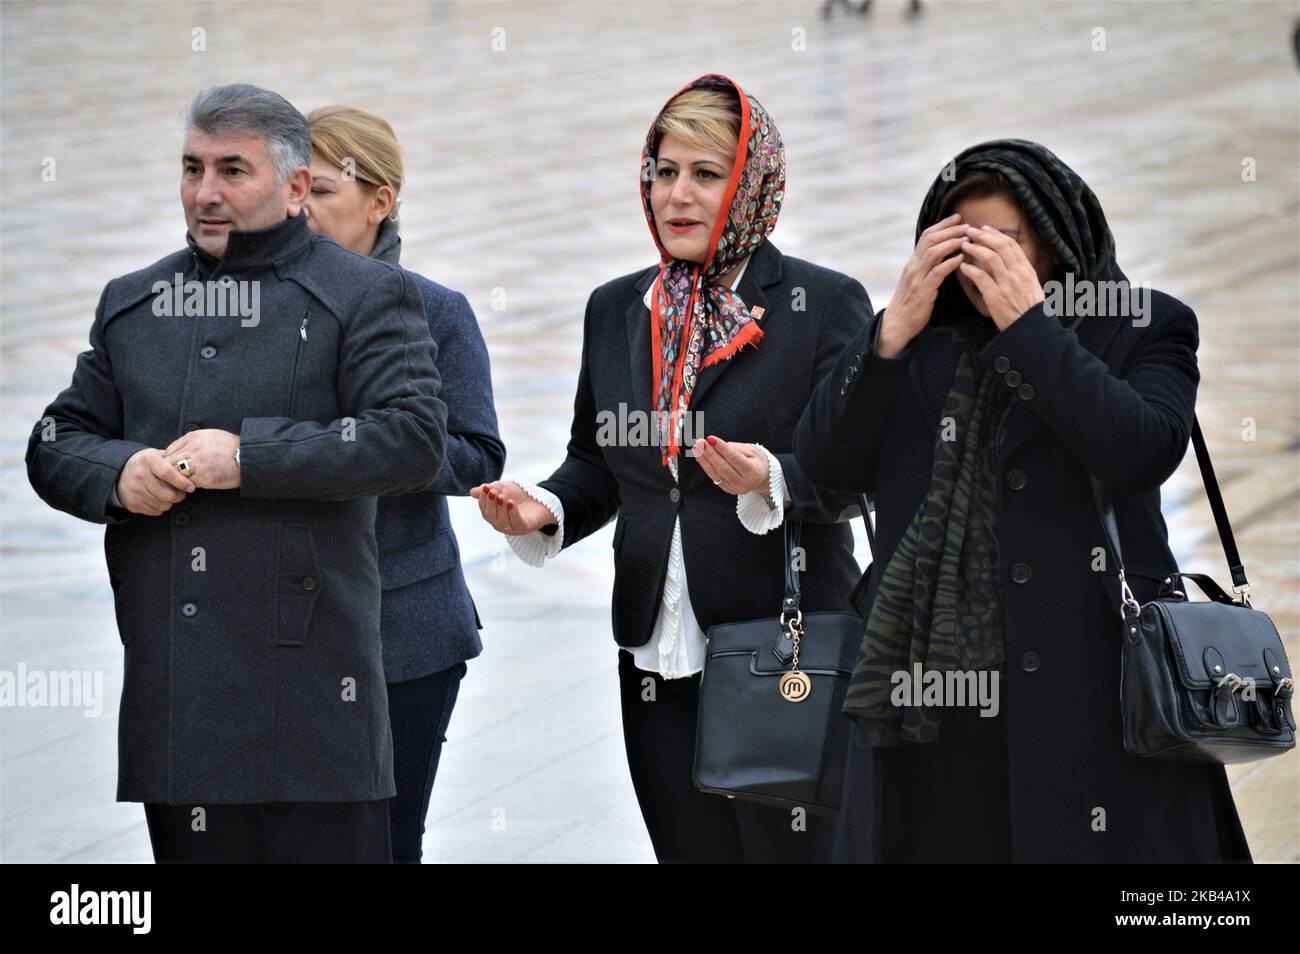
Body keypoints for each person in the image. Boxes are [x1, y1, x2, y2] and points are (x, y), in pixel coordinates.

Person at [794, 138, 1252, 863]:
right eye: (963, 240)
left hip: (1098, 703)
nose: (982, 262)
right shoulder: (916, 337)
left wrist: (1030, 330)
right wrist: (886, 338)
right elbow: (825, 467)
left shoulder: (1143, 324)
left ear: (1056, 233)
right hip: (933, 709)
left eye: (1007, 240)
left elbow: (1139, 451)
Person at [25, 83, 448, 863]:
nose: (205, 193)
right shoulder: (135, 302)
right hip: (179, 703)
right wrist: (121, 474)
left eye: (231, 170)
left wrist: (248, 458)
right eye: (192, 168)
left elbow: (413, 436)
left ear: (294, 187)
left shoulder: (367, 294)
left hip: (317, 706)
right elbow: (55, 440)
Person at [471, 74, 867, 863]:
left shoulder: (823, 305)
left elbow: (861, 474)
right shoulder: (617, 307)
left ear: (752, 184)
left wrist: (773, 479)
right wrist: (542, 507)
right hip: (655, 658)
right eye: (664, 170)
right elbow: (599, 463)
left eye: (706, 174)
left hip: (783, 655)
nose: (676, 195)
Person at [303, 105, 505, 863]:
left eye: (322, 190)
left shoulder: (437, 311)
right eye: (294, 191)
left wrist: (368, 446)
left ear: (379, 200)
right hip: (273, 629)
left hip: (407, 631)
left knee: (385, 844)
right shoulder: (251, 314)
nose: (303, 210)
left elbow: (480, 453)